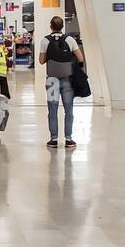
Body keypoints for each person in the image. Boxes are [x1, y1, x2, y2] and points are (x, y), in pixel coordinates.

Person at [39, 16, 84, 149]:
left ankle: (53, 140)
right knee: (69, 110)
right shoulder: (70, 40)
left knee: (52, 110)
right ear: (62, 26)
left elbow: (41, 61)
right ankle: (69, 139)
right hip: (68, 79)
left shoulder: (45, 40)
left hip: (52, 80)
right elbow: (80, 58)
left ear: (50, 26)